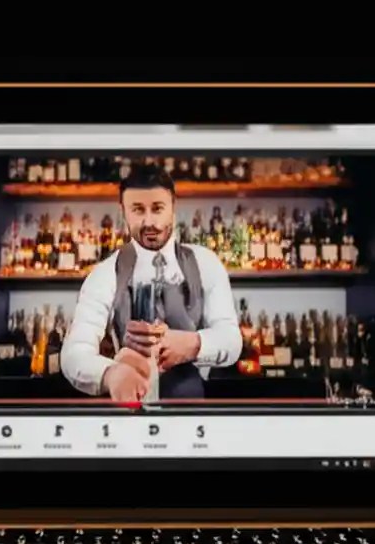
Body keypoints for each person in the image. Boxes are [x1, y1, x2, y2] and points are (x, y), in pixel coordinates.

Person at [61, 163, 241, 402]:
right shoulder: (104, 274)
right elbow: (74, 354)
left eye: (157, 209)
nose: (148, 222)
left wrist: (193, 344)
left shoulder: (205, 263)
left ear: (173, 208)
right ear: (123, 211)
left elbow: (231, 340)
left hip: (192, 415)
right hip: (129, 413)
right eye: (137, 210)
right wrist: (112, 374)